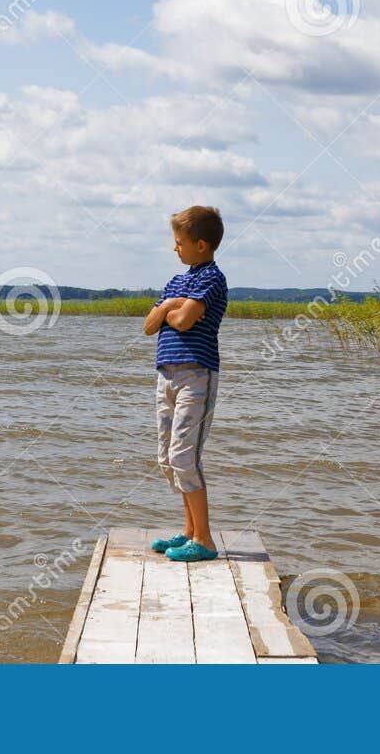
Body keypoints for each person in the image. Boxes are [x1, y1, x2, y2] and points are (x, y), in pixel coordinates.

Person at [141, 205, 228, 563]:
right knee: (167, 457)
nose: (175, 248)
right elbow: (149, 325)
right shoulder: (177, 282)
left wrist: (170, 311)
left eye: (180, 242)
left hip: (196, 374)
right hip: (167, 375)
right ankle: (189, 531)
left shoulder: (211, 278)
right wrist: (169, 307)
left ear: (202, 245)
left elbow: (184, 321)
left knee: (184, 455)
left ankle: (205, 540)